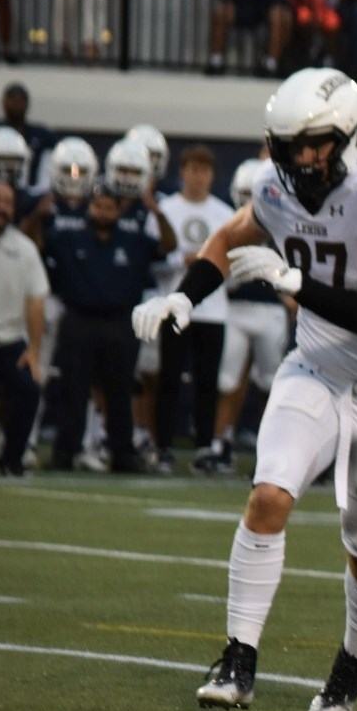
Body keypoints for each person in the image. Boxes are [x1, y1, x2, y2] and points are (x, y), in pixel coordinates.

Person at [131, 68, 357, 711]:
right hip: (315, 369)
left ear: (350, 134)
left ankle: (353, 660)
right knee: (269, 494)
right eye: (289, 143)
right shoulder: (274, 186)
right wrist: (185, 295)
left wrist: (294, 278)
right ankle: (238, 658)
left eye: (315, 142)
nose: (301, 158)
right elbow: (229, 237)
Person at [47, 181, 167, 473]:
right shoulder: (70, 237)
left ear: (118, 211)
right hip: (79, 318)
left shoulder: (133, 240)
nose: (103, 212)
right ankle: (66, 451)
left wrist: (158, 214)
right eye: (98, 206)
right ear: (89, 207)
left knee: (120, 390)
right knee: (73, 388)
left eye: (109, 208)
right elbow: (38, 245)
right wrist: (39, 214)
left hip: (119, 321)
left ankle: (122, 452)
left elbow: (167, 247)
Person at [152, 145, 234, 473]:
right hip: (173, 304)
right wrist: (181, 261)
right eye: (192, 169)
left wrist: (207, 267)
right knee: (168, 378)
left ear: (212, 175)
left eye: (204, 170)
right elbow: (154, 260)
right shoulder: (166, 209)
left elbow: (232, 265)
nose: (198, 177)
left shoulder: (224, 214)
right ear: (181, 171)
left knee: (207, 382)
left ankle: (204, 447)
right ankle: (163, 447)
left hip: (213, 310)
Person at [209, 157, 293, 475]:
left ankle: (274, 447)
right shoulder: (231, 227)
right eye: (244, 194)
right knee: (228, 380)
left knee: (273, 384)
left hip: (271, 309)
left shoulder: (284, 226)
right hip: (235, 308)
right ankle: (221, 442)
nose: (249, 202)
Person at [0, 179, 47, 476]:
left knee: (28, 389)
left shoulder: (25, 249)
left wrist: (33, 350)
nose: (0, 207)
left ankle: (11, 459)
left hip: (5, 340)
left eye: (6, 202)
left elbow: (36, 301)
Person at [0, 84, 59, 196]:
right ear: (4, 101)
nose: (16, 104)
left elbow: (59, 147)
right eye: (12, 99)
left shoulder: (40, 134)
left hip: (27, 191)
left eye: (20, 99)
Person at [207, 0, 292, 78]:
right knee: (221, 12)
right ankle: (216, 62)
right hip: (241, 0)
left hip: (267, 0)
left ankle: (270, 66)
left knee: (281, 17)